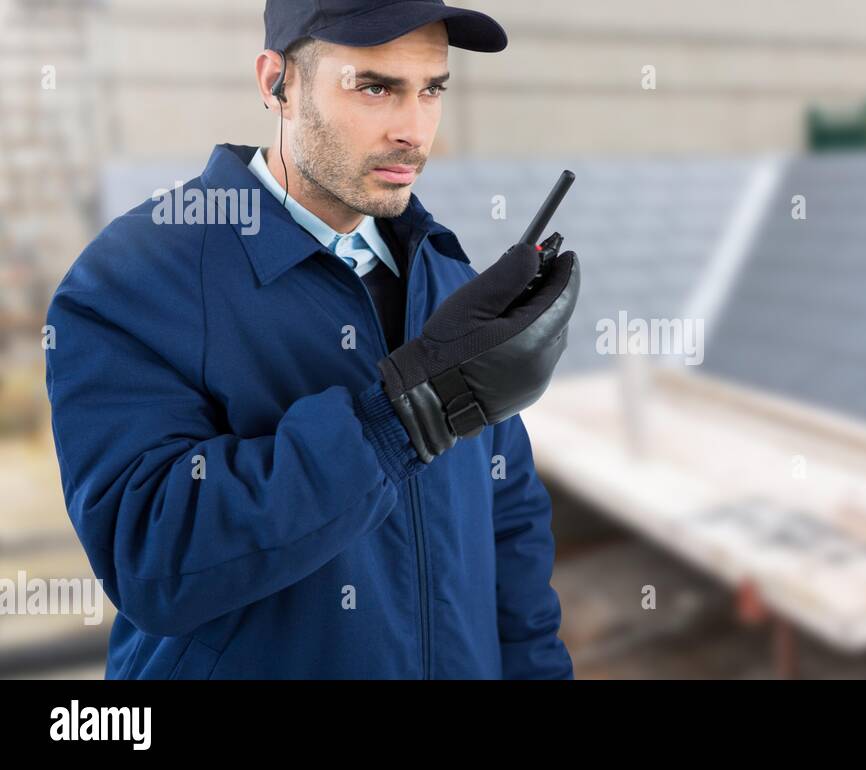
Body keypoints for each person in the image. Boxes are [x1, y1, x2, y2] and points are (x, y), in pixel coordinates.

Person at [43, 0, 579, 679]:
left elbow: (510, 527)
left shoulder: (447, 278)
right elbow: (149, 558)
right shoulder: (136, 278)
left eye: (432, 90)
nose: (415, 130)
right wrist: (404, 419)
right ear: (277, 83)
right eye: (375, 86)